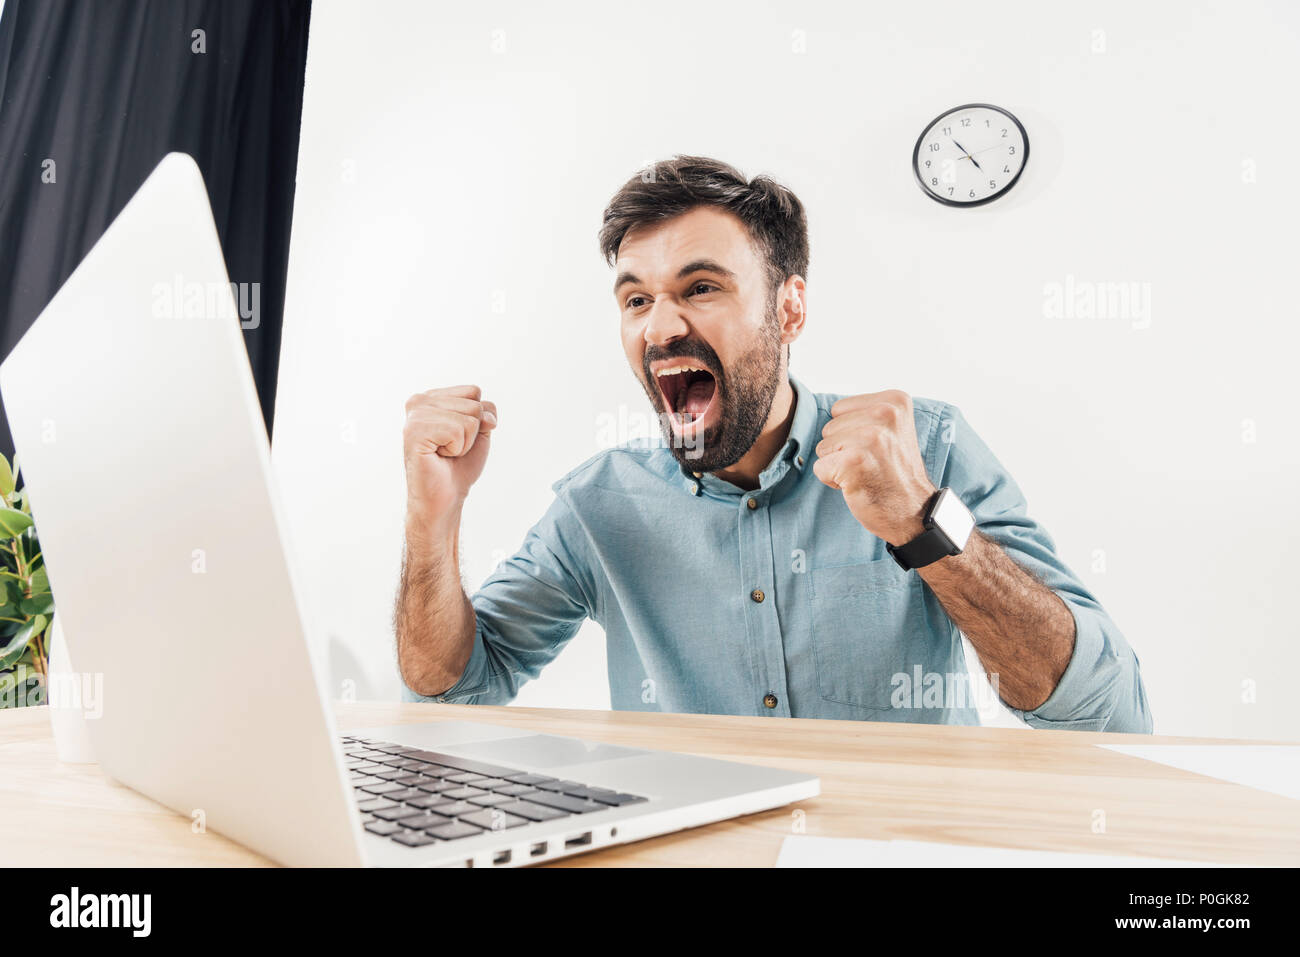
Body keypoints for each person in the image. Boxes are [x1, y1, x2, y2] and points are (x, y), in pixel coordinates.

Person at [394, 155, 1151, 732]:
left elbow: (1103, 709)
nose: (659, 328)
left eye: (700, 287)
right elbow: (455, 690)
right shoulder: (599, 505)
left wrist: (926, 524)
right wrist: (434, 518)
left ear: (789, 310)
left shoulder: (927, 448)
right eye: (636, 299)